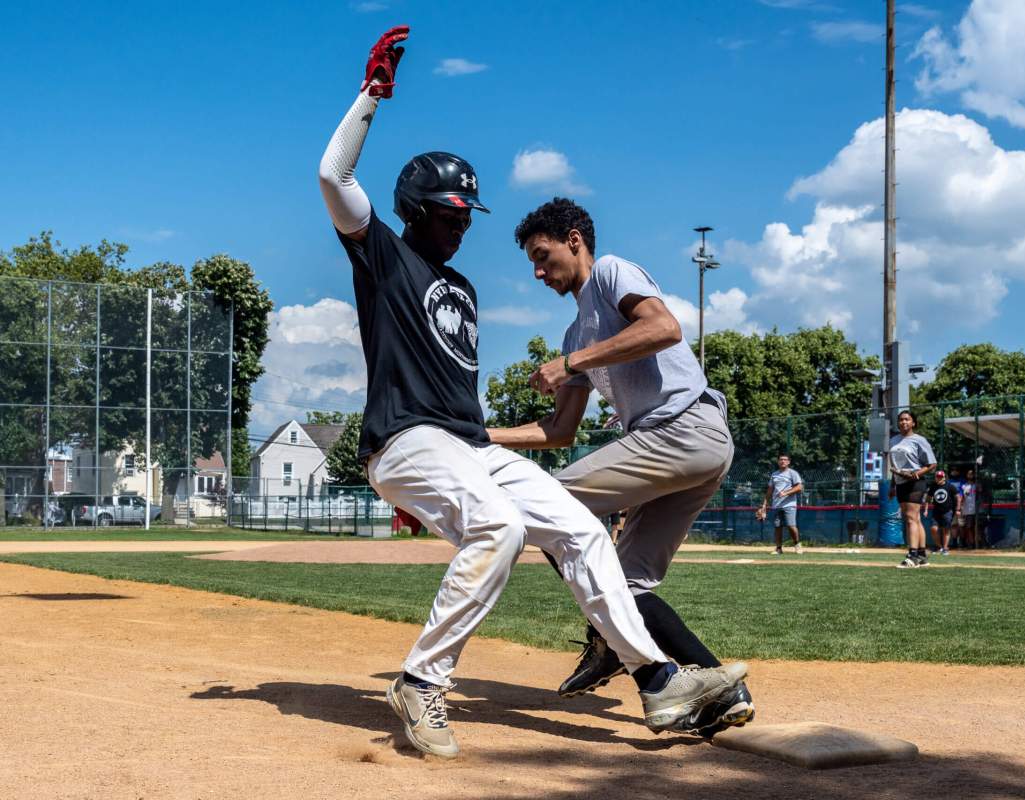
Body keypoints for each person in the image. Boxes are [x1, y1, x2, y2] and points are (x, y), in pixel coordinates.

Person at [317, 29, 745, 758]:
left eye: (464, 217)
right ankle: (421, 682)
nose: (459, 227)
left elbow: (518, 424)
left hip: (463, 444)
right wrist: (371, 98)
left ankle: (661, 679)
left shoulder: (464, 288)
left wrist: (475, 454)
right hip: (403, 438)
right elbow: (333, 177)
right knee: (501, 529)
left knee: (577, 530)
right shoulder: (384, 257)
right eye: (449, 214)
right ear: (415, 209)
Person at [487, 197, 752, 739]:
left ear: (575, 240)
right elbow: (558, 432)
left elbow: (664, 328)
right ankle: (718, 688)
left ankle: (609, 643)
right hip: (684, 448)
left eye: (543, 256)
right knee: (625, 586)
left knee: (547, 502)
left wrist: (573, 364)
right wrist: (477, 433)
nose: (538, 272)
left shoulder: (611, 274)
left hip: (684, 429)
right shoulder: (573, 335)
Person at [889, 409, 937, 568]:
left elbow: (932, 464)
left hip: (915, 482)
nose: (903, 422)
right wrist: (892, 485)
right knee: (914, 519)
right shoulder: (893, 440)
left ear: (913, 423)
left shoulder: (919, 440)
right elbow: (895, 466)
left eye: (907, 419)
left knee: (911, 518)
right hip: (900, 482)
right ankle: (922, 556)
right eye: (901, 420)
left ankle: (912, 556)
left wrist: (916, 475)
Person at [759, 454, 804, 555]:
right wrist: (764, 504)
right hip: (776, 505)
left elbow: (799, 487)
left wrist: (786, 493)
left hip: (789, 504)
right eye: (781, 460)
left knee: (791, 525)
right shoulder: (774, 474)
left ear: (789, 462)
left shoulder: (793, 473)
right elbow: (770, 490)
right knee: (777, 527)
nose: (783, 461)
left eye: (785, 460)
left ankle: (797, 545)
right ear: (778, 462)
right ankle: (778, 548)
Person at [923, 470, 960, 555]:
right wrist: (925, 510)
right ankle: (940, 547)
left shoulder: (950, 486)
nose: (939, 479)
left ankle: (945, 548)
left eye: (940, 477)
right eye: (937, 477)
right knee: (933, 529)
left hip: (947, 511)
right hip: (936, 511)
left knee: (946, 530)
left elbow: (958, 497)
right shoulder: (933, 487)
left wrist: (958, 509)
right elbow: (927, 499)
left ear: (944, 478)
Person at [959, 468, 979, 548]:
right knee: (968, 527)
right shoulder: (964, 485)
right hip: (967, 510)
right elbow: (961, 497)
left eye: (972, 474)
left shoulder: (976, 485)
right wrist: (960, 507)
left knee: (977, 527)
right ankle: (970, 543)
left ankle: (978, 543)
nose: (970, 475)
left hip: (977, 510)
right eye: (969, 474)